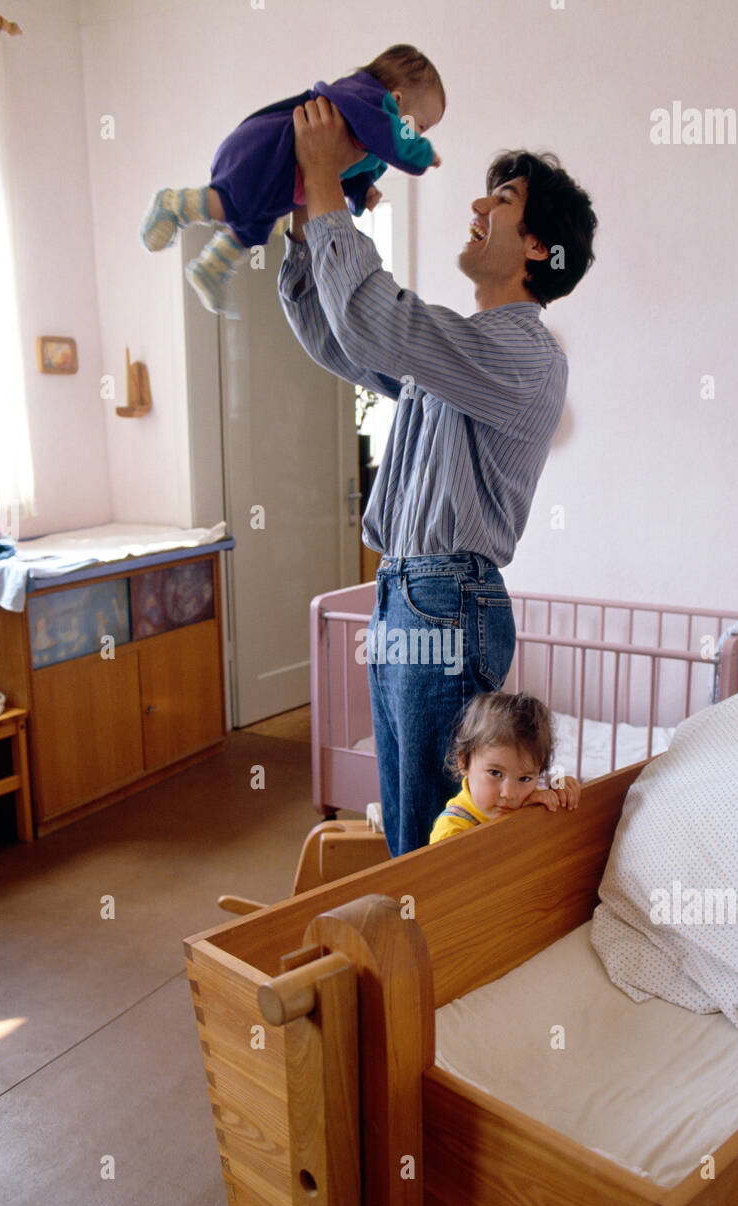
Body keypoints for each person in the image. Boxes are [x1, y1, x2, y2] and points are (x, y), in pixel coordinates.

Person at [280, 92, 598, 856]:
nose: (478, 203)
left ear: (534, 247)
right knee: (409, 816)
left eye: (504, 198)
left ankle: (432, 964)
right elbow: (341, 339)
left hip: (444, 602)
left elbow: (372, 318)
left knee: (434, 834)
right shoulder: (458, 358)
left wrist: (327, 185)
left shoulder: (523, 353)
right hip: (408, 594)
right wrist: (305, 223)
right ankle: (410, 953)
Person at [138, 44, 444, 314]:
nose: (417, 137)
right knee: (234, 203)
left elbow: (349, 170)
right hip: (270, 150)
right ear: (396, 100)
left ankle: (212, 267)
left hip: (290, 181)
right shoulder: (367, 100)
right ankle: (173, 205)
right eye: (420, 127)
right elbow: (390, 138)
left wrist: (363, 191)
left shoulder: (373, 137)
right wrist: (424, 154)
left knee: (255, 226)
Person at [429, 691, 580, 842]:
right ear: (464, 761)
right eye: (495, 773)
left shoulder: (532, 797)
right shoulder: (450, 833)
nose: (509, 794)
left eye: (524, 778)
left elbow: (557, 777)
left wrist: (561, 791)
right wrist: (520, 823)